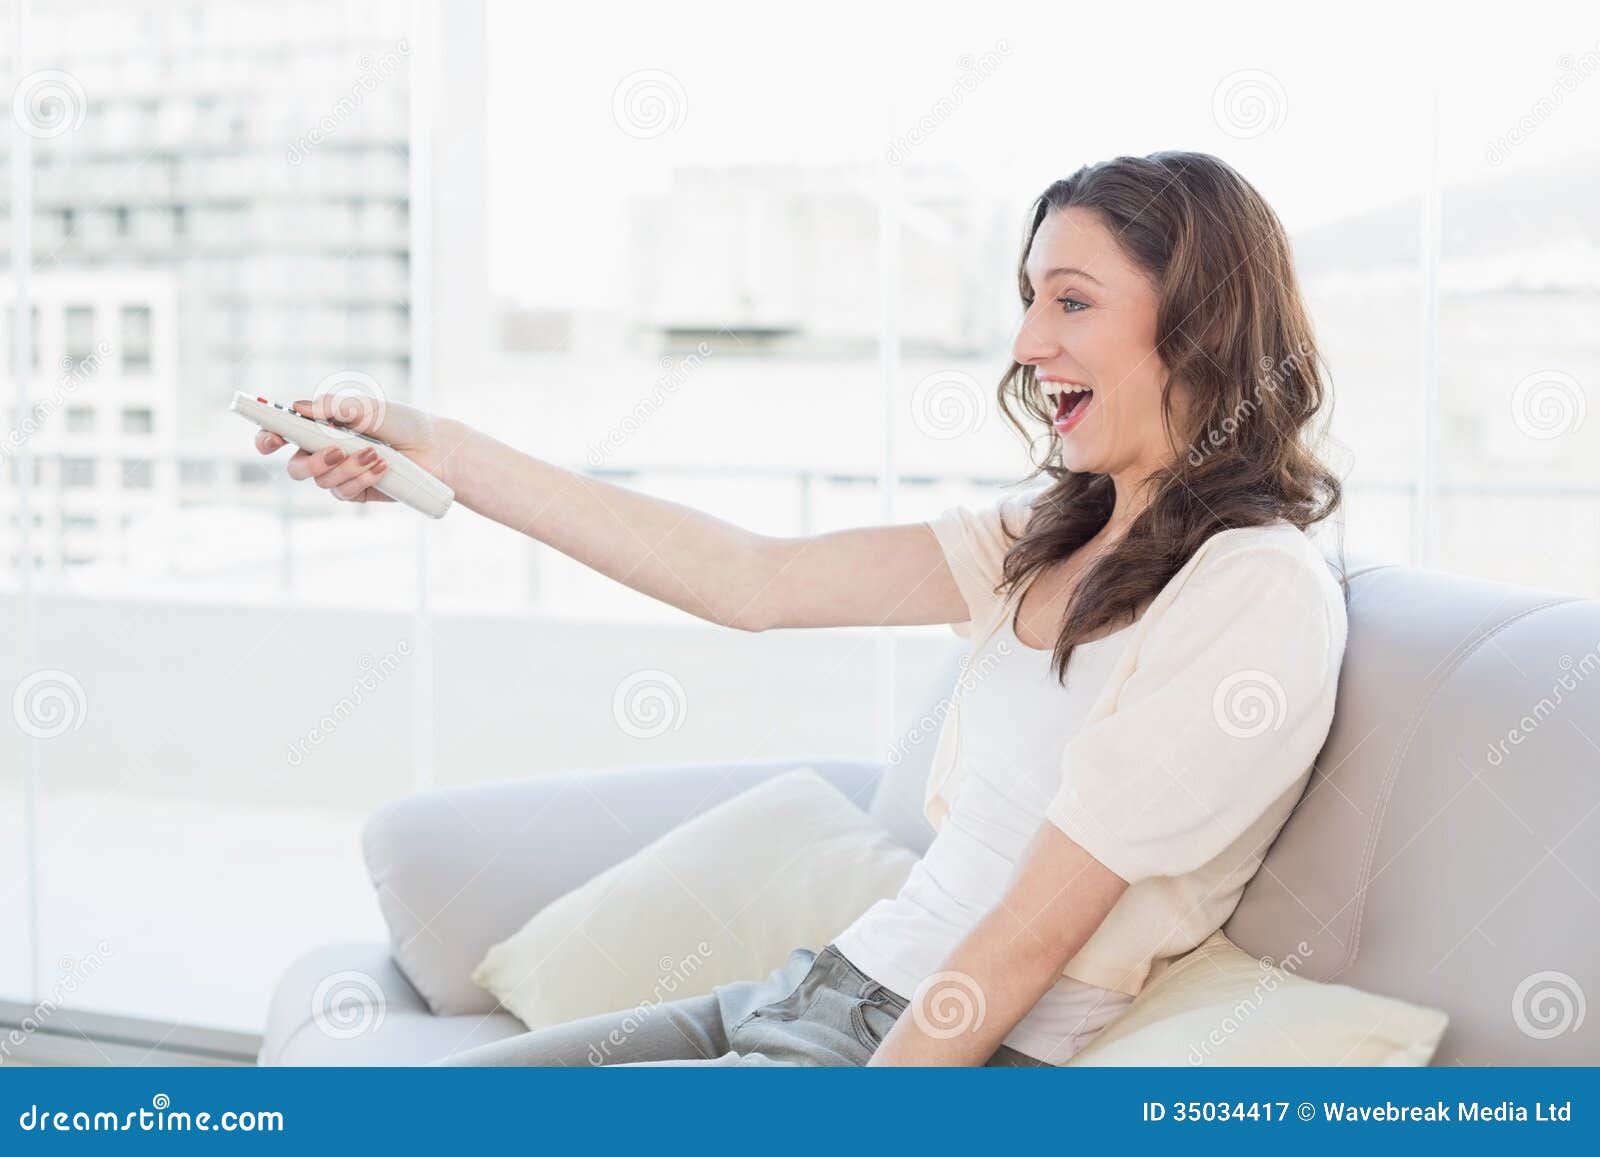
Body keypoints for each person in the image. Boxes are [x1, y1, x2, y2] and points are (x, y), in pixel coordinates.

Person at [253, 151, 1349, 1067]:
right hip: (818, 989)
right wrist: (438, 449)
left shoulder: (1253, 590)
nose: (1026, 344)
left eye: (1071, 300)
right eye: (1027, 299)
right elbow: (751, 579)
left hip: (913, 1050)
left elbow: (1028, 935)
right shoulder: (1053, 533)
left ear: (1201, 322)